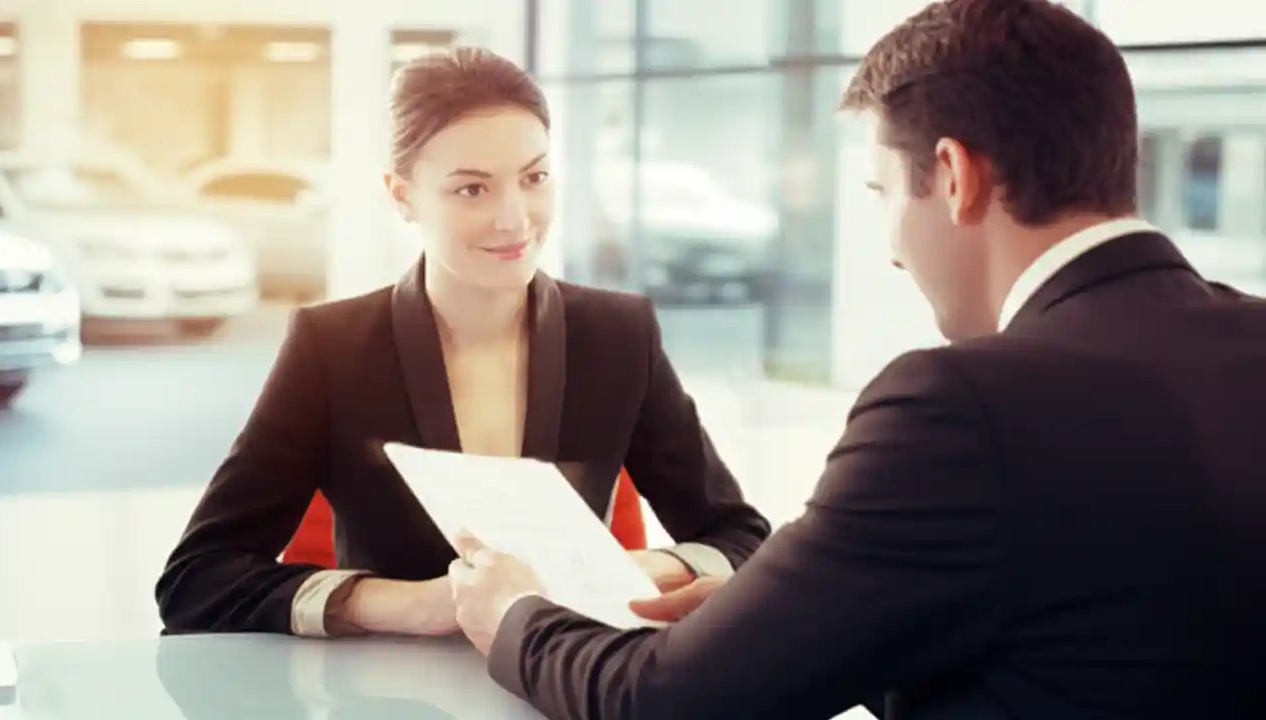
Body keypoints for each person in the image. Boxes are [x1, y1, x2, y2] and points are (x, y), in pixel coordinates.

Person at [446, 2, 1266, 718]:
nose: (892, 253)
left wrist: (514, 613)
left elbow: (663, 700)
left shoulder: (960, 406)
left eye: (881, 195)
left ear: (954, 177)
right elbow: (1098, 644)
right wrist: (811, 613)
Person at [155, 47, 770, 639]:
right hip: (389, 690)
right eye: (472, 189)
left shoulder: (617, 336)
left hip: (569, 680)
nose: (514, 217)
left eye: (534, 178)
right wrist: (409, 605)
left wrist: (634, 569)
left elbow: (741, 539)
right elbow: (197, 579)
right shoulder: (333, 349)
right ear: (403, 196)